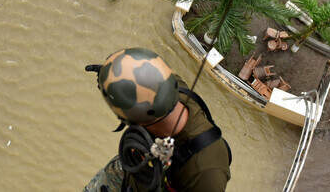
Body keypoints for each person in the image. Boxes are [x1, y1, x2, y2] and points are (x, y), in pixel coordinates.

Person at [83, 48, 231, 192]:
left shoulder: (206, 172)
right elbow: (141, 74)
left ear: (133, 121)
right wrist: (111, 78)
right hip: (128, 173)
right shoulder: (169, 85)